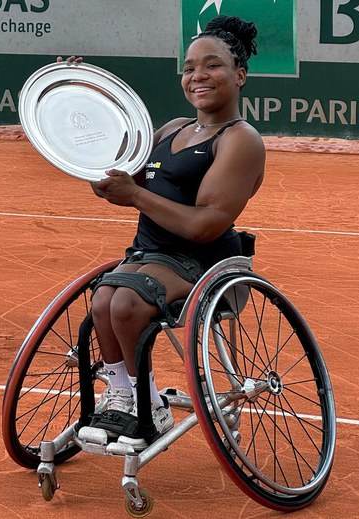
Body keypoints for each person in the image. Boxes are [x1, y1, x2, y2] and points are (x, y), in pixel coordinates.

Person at [62, 15, 265, 449]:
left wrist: (134, 196)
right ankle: (122, 396)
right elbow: (114, 171)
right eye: (190, 67)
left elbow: (206, 224)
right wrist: (77, 98)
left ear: (240, 75)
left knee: (127, 304)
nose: (198, 76)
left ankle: (147, 403)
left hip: (204, 260)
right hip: (148, 255)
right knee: (102, 300)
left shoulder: (240, 140)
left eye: (212, 65)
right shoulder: (172, 128)